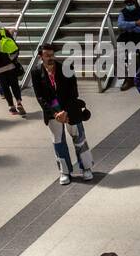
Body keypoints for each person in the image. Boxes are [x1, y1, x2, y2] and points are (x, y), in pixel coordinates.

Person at [27, 42, 94, 182]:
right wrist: (55, 113)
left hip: (70, 110)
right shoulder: (35, 72)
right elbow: (40, 96)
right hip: (53, 114)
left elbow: (73, 92)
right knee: (58, 141)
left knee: (79, 138)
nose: (50, 57)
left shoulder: (66, 67)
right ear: (40, 57)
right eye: (47, 55)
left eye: (52, 55)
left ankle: (86, 168)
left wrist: (65, 111)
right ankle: (64, 172)